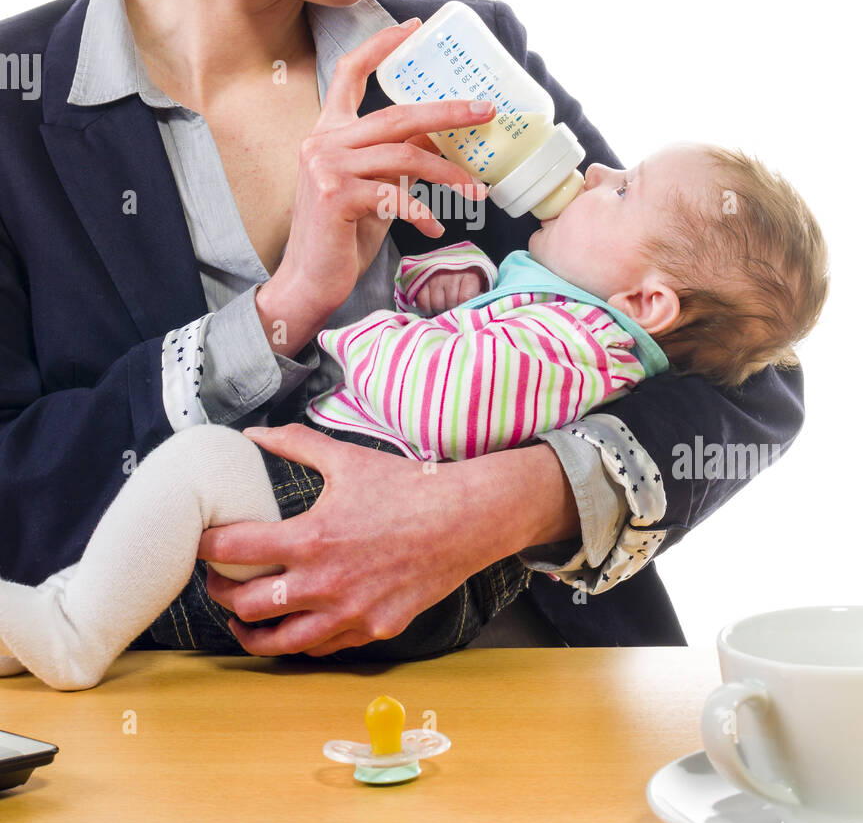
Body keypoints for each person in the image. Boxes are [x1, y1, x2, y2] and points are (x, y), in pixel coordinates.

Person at [0, 0, 807, 663]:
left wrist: (493, 504)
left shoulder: (459, 65)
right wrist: (280, 314)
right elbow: (14, 483)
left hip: (519, 708)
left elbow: (738, 361)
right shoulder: (18, 109)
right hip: (180, 736)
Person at [0, 142, 827, 689]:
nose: (598, 174)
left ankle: (71, 632)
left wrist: (351, 326)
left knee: (200, 467)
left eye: (622, 189)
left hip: (416, 587)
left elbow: (432, 401)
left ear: (646, 301)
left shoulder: (570, 343)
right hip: (301, 579)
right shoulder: (574, 318)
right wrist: (460, 285)